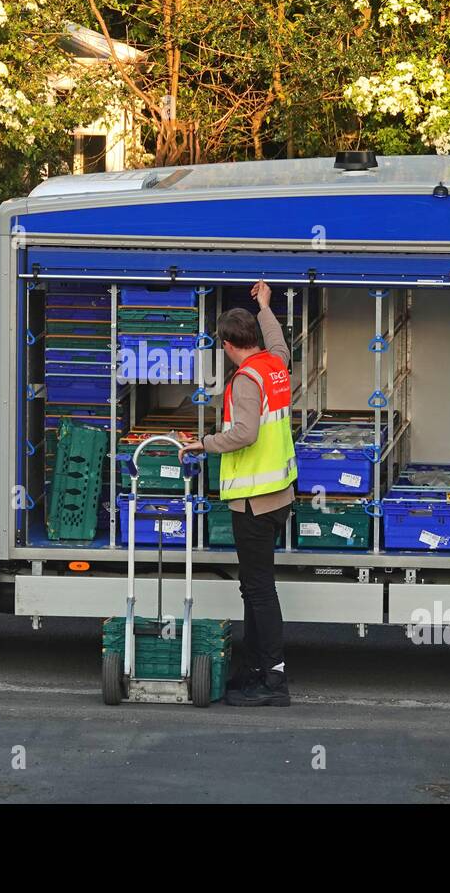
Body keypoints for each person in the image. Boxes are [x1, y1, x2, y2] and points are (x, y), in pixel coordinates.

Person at [180, 280, 296, 707]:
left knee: (260, 590)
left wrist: (204, 443)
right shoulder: (274, 365)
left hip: (255, 501)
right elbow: (279, 341)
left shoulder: (247, 380)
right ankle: (255, 671)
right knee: (254, 588)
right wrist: (265, 306)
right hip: (278, 495)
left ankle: (274, 680)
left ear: (228, 344)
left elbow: (245, 434)